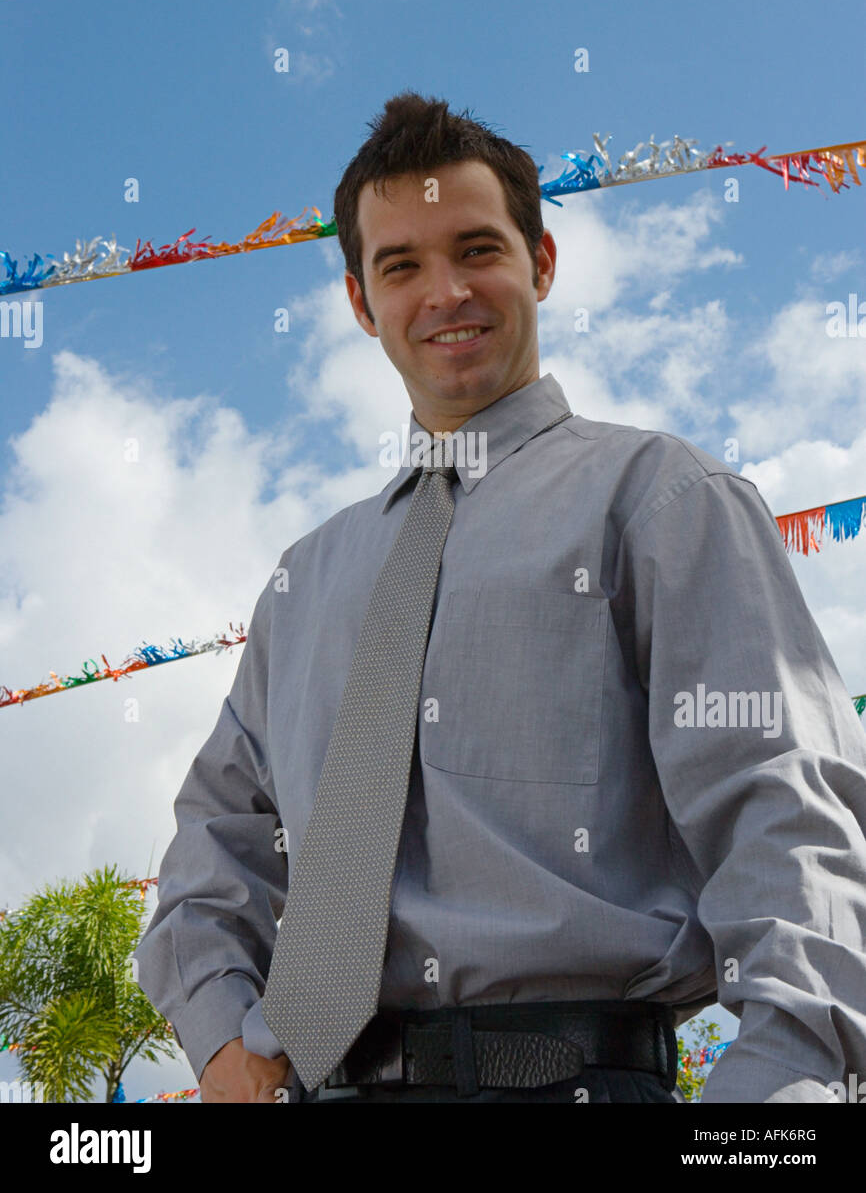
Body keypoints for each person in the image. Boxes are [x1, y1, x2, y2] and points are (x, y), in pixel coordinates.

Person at [134, 91, 866, 1104]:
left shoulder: (661, 501)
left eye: (476, 248)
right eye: (400, 265)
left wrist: (776, 1088)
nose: (444, 292)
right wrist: (222, 1040)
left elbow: (782, 805)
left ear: (542, 263)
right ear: (359, 301)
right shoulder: (304, 581)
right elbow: (217, 831)